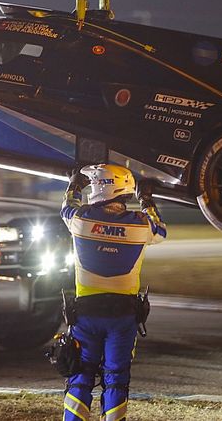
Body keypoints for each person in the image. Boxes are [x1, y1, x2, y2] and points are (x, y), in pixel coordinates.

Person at [60, 164, 166, 421]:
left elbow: (66, 206)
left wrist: (74, 184)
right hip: (123, 318)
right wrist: (147, 198)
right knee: (116, 378)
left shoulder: (81, 220)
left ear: (98, 188)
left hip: (86, 316)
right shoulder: (141, 226)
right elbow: (160, 230)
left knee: (80, 376)